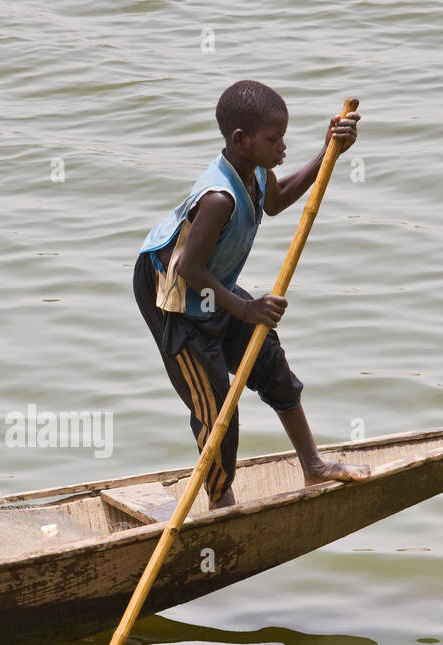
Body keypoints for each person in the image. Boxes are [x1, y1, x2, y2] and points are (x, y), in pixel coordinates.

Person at [133, 79, 370, 509]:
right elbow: (187, 267)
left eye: (283, 138)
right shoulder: (220, 198)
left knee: (269, 361)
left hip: (209, 282)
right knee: (217, 408)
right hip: (172, 294)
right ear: (241, 140)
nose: (281, 147)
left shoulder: (255, 170)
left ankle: (313, 465)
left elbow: (275, 201)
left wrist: (327, 152)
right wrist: (246, 307)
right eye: (273, 139)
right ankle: (220, 499)